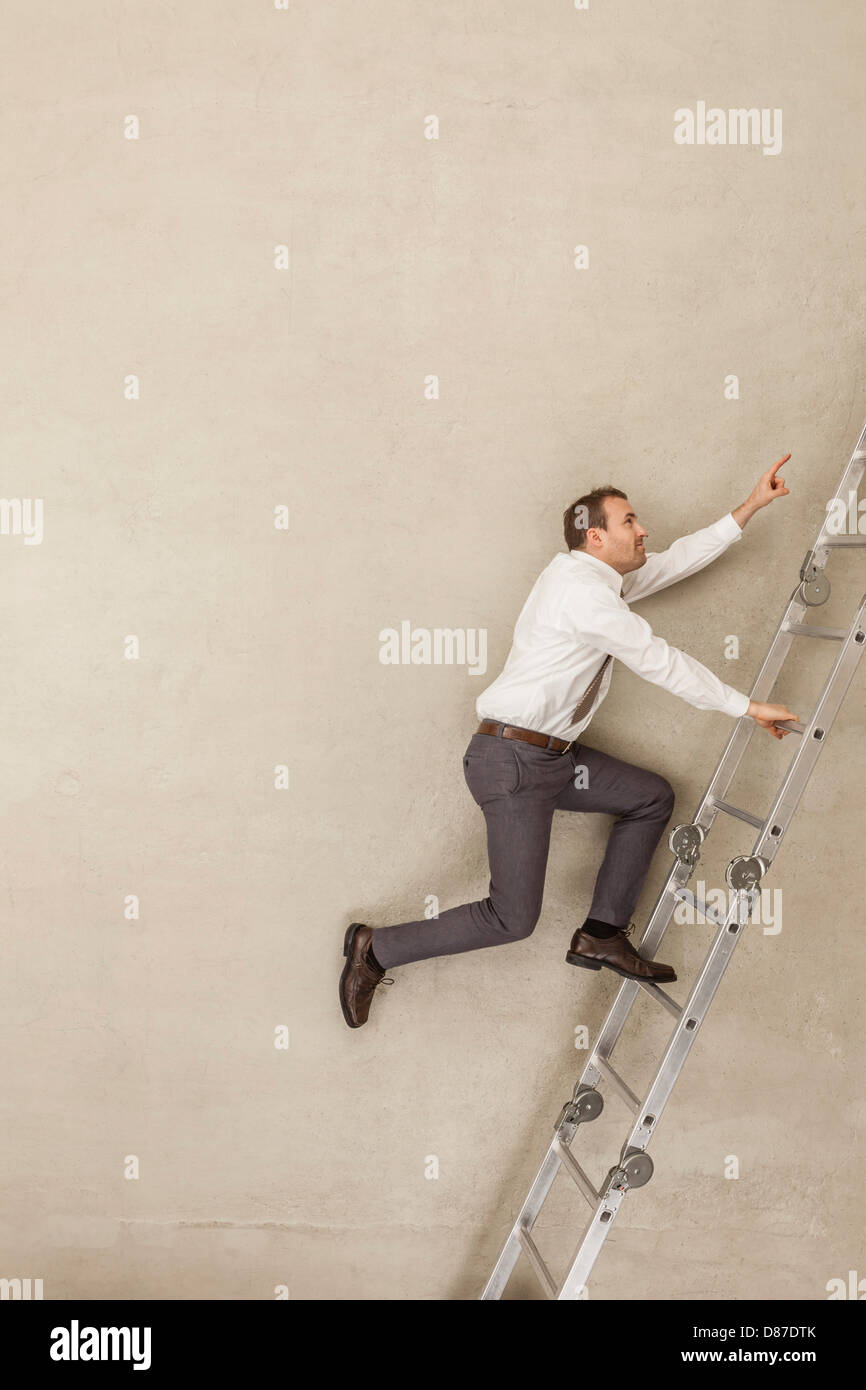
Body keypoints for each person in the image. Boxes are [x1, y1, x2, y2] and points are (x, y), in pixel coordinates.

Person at [340, 456, 797, 1029]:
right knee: (512, 918)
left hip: (552, 760)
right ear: (597, 535)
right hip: (513, 764)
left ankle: (602, 935)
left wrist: (750, 505)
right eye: (631, 522)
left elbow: (674, 561)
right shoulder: (582, 593)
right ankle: (375, 949)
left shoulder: (599, 580)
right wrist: (748, 707)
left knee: (650, 797)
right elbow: (657, 659)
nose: (644, 530)